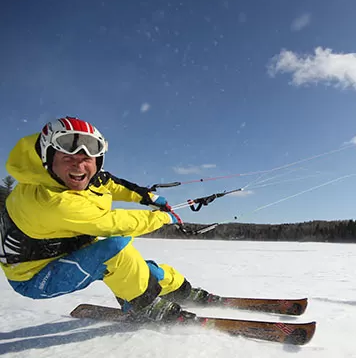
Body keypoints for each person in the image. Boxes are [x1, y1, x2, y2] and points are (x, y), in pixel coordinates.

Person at [0, 116, 215, 322]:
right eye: (68, 158)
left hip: (65, 252)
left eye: (87, 159)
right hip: (35, 277)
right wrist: (162, 218)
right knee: (115, 251)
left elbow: (109, 182)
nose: (79, 166)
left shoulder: (69, 178)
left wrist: (148, 197)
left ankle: (182, 291)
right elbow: (113, 223)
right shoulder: (50, 201)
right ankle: (143, 306)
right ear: (47, 159)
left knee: (139, 268)